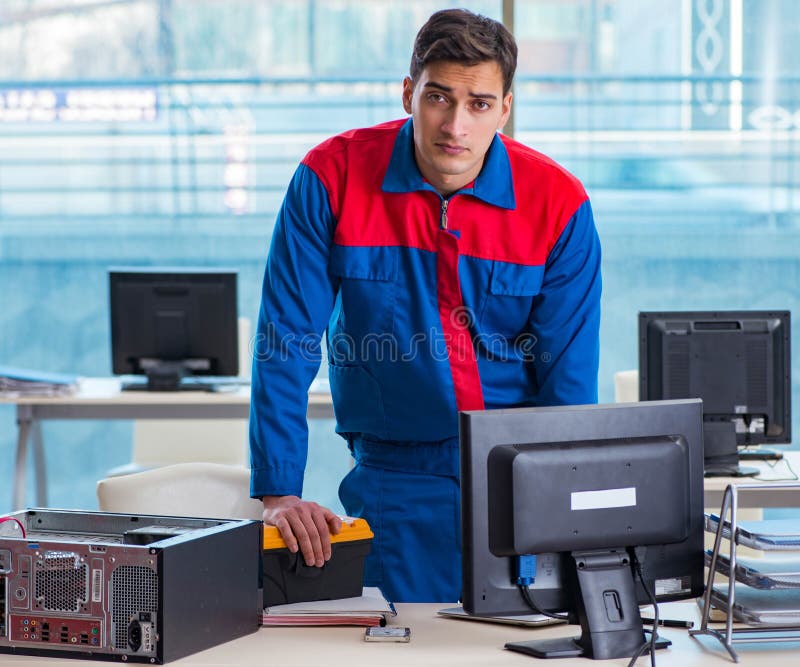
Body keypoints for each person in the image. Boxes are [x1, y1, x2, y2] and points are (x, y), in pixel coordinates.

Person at [249, 8, 601, 603]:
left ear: (505, 108)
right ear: (410, 92)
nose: (456, 125)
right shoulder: (330, 178)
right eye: (439, 98)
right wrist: (279, 491)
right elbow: (285, 343)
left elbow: (566, 384)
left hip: (516, 481)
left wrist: (559, 508)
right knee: (401, 644)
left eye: (480, 104)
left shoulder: (557, 204)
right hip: (394, 480)